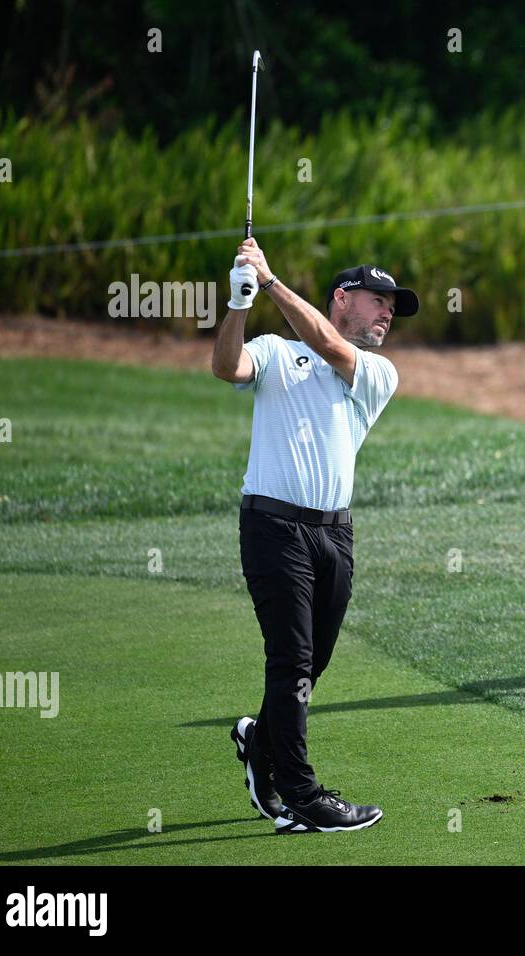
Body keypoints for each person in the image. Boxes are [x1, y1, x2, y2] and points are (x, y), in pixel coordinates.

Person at [212, 237, 419, 832]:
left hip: (335, 536)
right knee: (292, 658)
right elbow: (227, 367)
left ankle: (260, 744)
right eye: (378, 301)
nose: (386, 314)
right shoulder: (276, 351)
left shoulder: (377, 371)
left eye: (392, 307)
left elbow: (327, 344)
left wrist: (272, 282)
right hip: (272, 526)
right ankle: (301, 796)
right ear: (342, 297)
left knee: (313, 662)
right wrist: (239, 301)